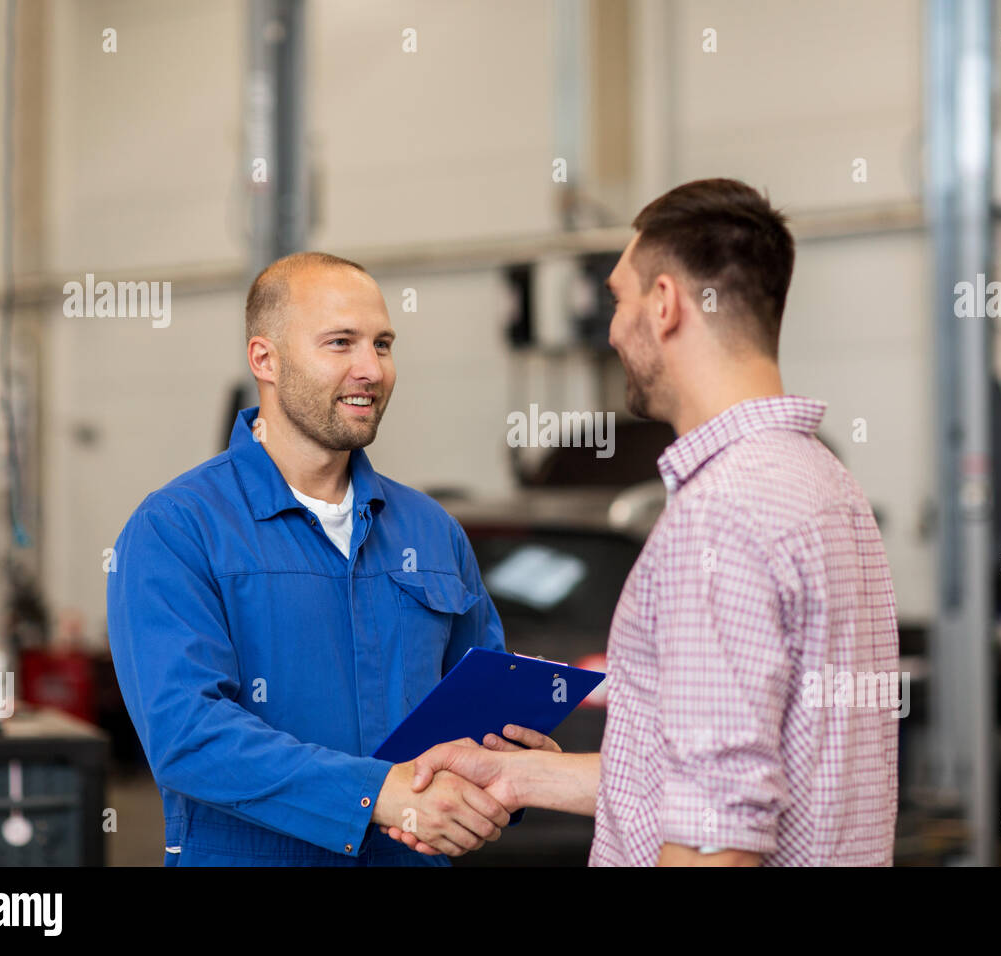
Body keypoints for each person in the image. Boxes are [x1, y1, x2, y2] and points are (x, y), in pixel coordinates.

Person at [384, 178, 901, 866]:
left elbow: (718, 835)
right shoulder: (827, 486)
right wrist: (518, 776)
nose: (611, 330)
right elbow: (719, 777)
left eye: (619, 300)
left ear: (664, 305)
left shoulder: (718, 514)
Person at [107, 252, 521, 866]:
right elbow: (188, 736)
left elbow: (485, 702)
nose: (371, 370)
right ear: (264, 359)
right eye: (340, 343)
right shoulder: (178, 529)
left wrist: (511, 760)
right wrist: (374, 794)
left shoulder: (432, 533)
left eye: (382, 344)